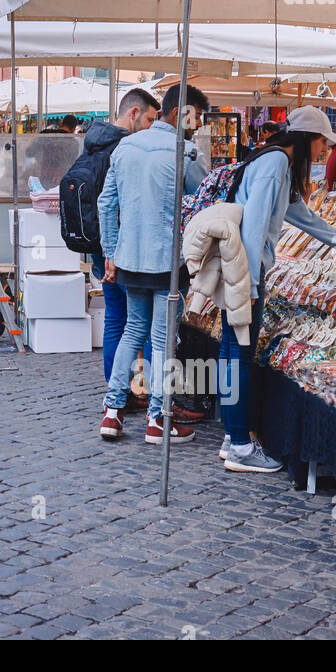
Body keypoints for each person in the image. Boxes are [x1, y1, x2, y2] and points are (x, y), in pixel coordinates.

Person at [218, 107, 336, 474]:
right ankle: (241, 445)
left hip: (239, 269)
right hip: (245, 271)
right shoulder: (276, 165)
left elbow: (310, 222)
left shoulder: (276, 163)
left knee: (231, 352)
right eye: (323, 141)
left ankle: (232, 436)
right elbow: (255, 226)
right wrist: (253, 285)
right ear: (308, 138)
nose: (325, 150)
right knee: (238, 355)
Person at [97, 84, 210, 446]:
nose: (197, 127)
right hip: (166, 259)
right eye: (195, 118)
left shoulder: (125, 146)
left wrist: (110, 252)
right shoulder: (186, 152)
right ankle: (158, 419)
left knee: (133, 330)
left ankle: (112, 413)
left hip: (129, 257)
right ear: (180, 114)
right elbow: (205, 199)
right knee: (162, 340)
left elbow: (105, 204)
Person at [62, 88, 169, 437]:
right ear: (134, 112)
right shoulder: (125, 147)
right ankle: (142, 402)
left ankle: (115, 398)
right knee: (143, 326)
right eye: (151, 120)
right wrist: (114, 251)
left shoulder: (94, 140)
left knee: (118, 322)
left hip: (101, 246)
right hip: (124, 250)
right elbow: (115, 204)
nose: (153, 127)